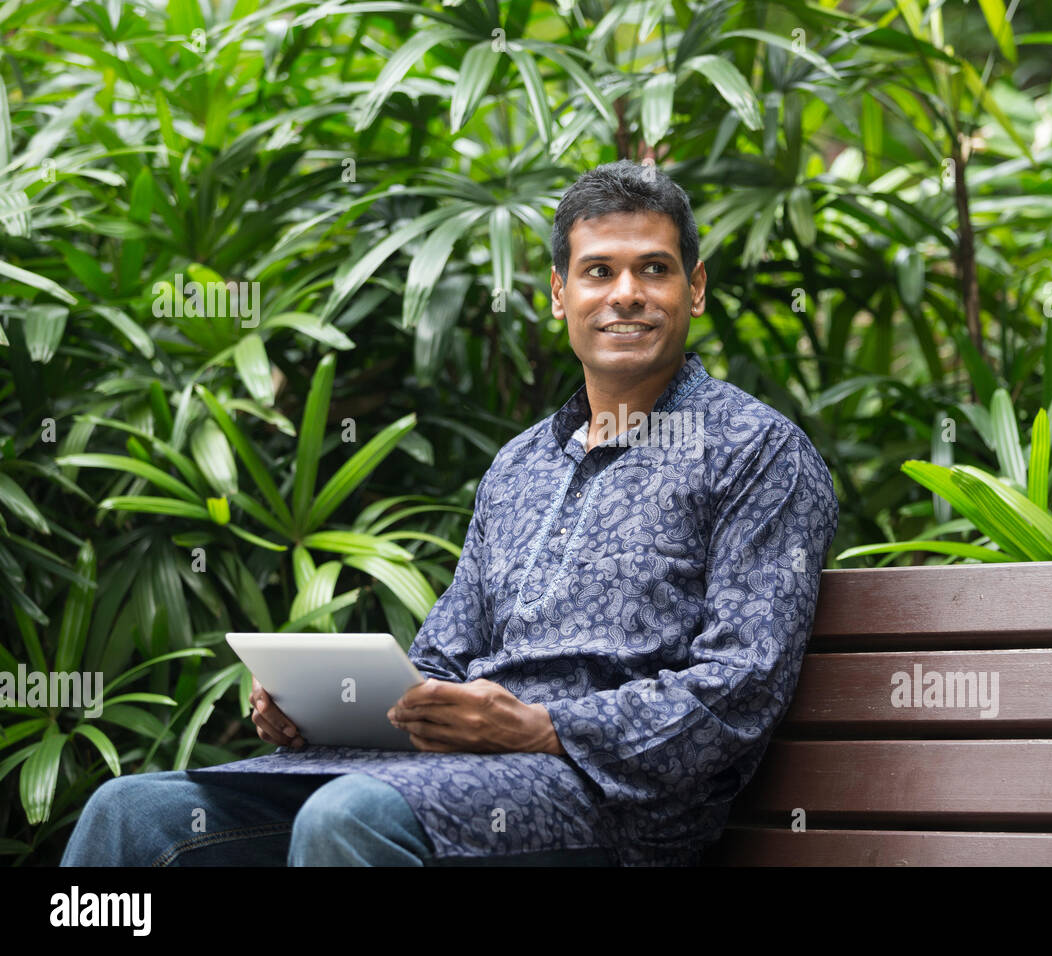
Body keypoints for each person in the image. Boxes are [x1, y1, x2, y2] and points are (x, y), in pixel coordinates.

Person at [60, 159, 839, 867]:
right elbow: (443, 658)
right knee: (137, 814)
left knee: (351, 818)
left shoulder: (757, 452)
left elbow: (740, 684)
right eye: (598, 271)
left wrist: (546, 729)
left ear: (693, 289)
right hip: (449, 773)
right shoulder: (520, 465)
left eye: (654, 271)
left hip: (620, 809)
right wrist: (332, 711)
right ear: (561, 294)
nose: (626, 294)